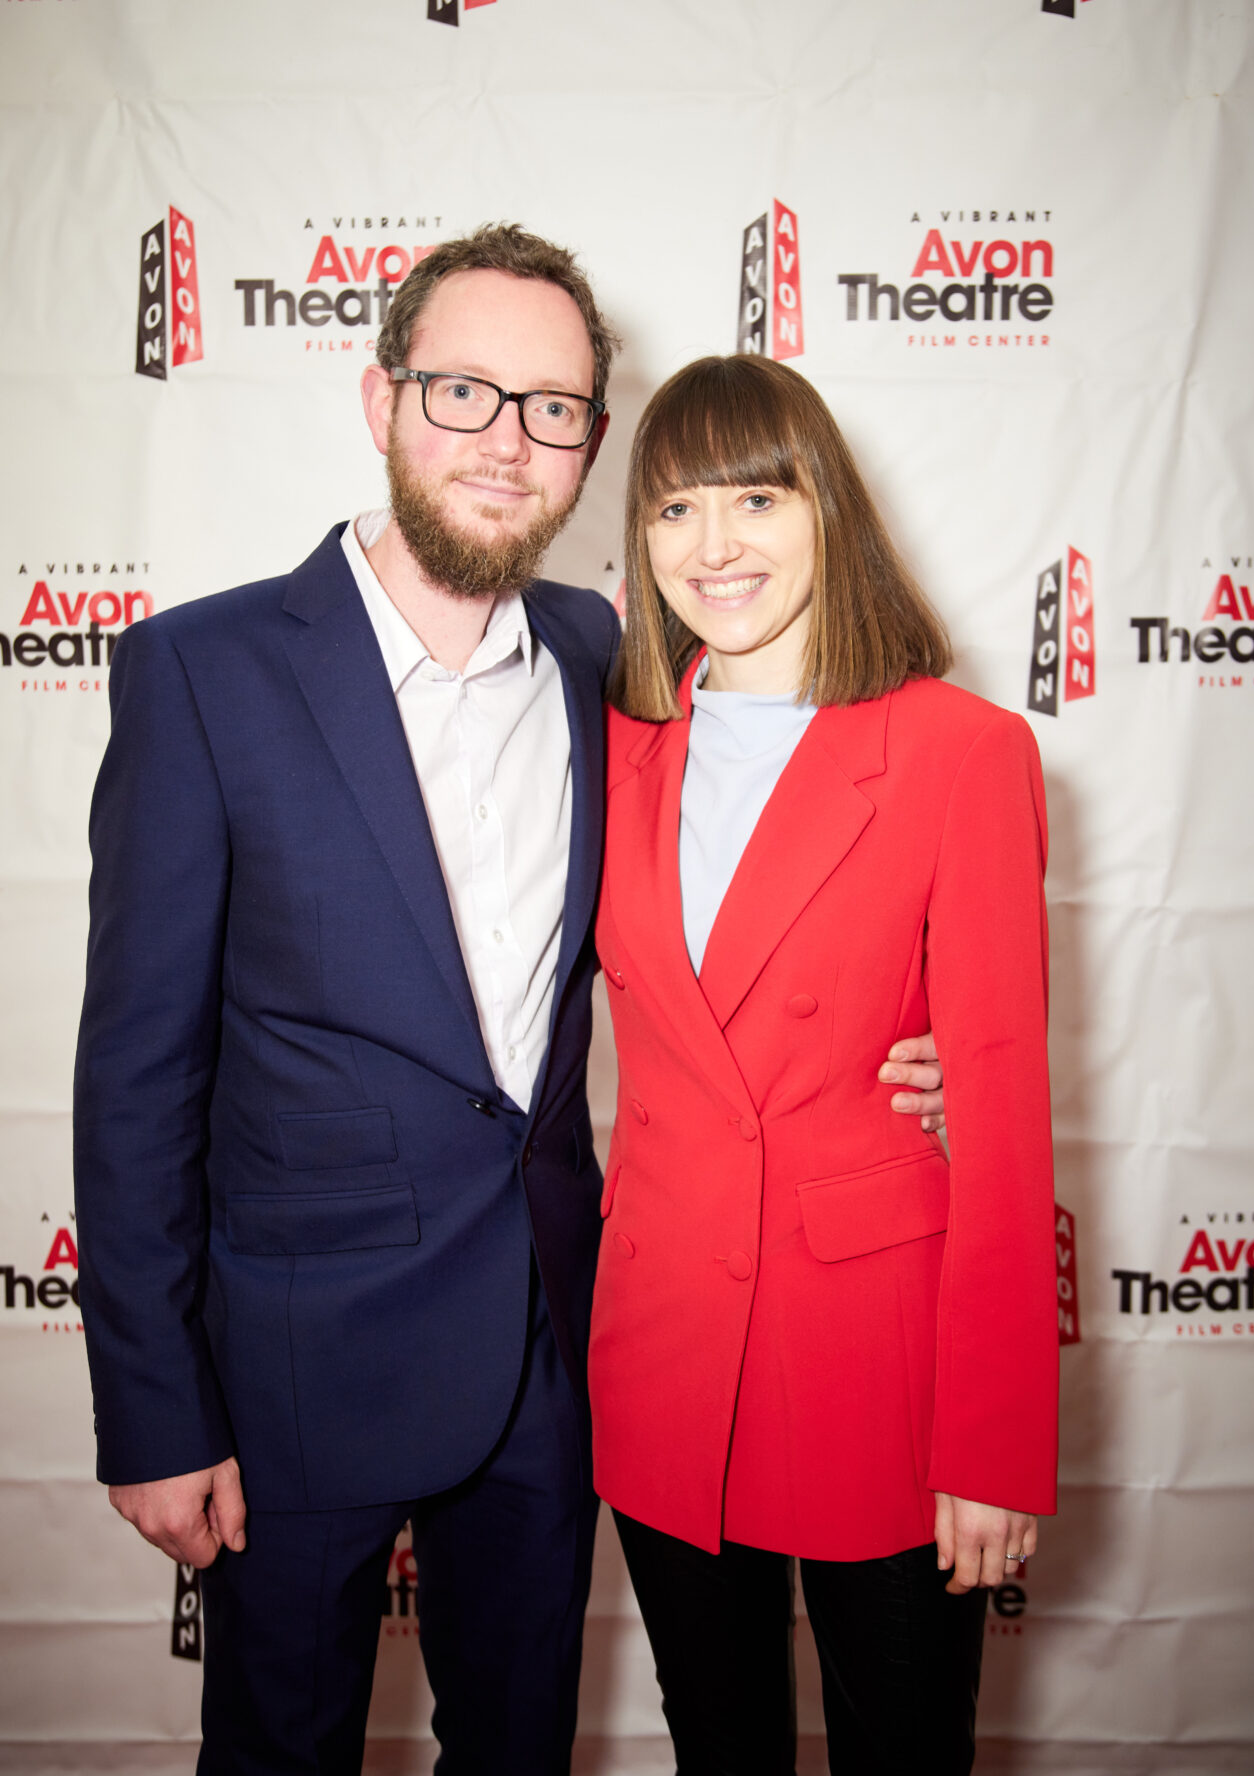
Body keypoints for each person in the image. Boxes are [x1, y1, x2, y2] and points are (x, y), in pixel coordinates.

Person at [74, 226, 947, 1774]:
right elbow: (136, 1079)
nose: (505, 440)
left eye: (550, 408)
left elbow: (761, 874)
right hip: (293, 1377)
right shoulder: (201, 673)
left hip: (549, 1356)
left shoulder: (610, 657)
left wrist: (918, 1041)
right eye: (462, 391)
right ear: (382, 399)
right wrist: (154, 1409)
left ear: (590, 447)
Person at [589, 353, 1058, 1774]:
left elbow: (1005, 1121)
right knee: (717, 1747)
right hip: (668, 1345)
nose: (713, 545)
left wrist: (994, 1445)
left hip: (877, 1361)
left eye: (756, 498)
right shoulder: (610, 752)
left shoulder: (960, 751)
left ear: (825, 508)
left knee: (903, 1748)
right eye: (674, 509)